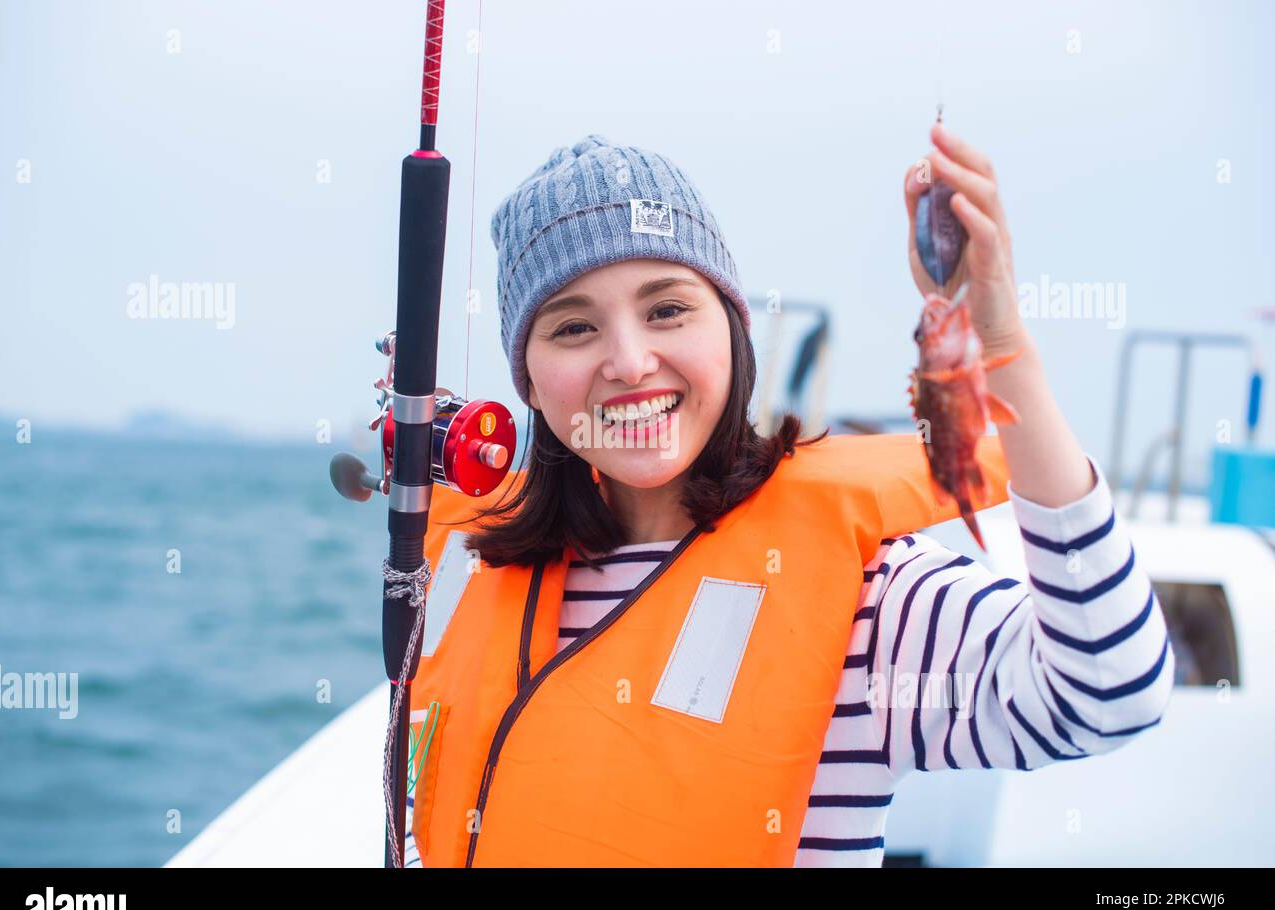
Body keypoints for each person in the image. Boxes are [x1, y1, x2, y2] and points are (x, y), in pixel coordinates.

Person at [402, 130, 1173, 868]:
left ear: (734, 330)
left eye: (667, 309)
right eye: (573, 328)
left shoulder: (868, 600)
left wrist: (1000, 344)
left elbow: (1106, 692)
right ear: (529, 382)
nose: (631, 362)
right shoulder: (473, 577)